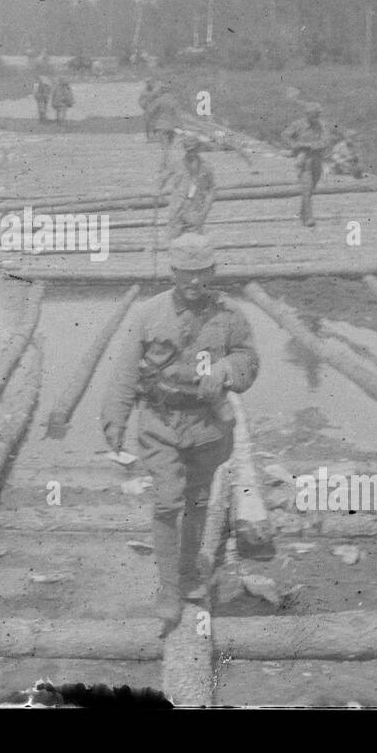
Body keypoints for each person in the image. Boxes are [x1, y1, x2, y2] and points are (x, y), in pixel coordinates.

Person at [100, 233, 260, 634]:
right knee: (168, 502)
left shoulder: (230, 314)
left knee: (199, 501)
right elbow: (124, 371)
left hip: (208, 426)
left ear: (213, 272)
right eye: (186, 274)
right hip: (161, 425)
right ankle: (169, 590)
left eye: (202, 273)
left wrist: (226, 370)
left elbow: (249, 360)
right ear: (173, 272)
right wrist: (115, 420)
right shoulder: (149, 313)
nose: (194, 282)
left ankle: (189, 573)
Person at [281, 101, 332, 226]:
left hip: (317, 159)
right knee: (307, 187)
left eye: (318, 115)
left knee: (312, 188)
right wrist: (296, 146)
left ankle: (303, 212)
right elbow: (285, 135)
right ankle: (308, 218)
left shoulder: (322, 126)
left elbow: (326, 141)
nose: (316, 118)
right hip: (303, 159)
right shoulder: (298, 125)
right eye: (314, 115)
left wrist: (309, 145)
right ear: (307, 114)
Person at [163, 134, 217, 239]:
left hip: (195, 210)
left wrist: (205, 210)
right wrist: (157, 189)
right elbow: (162, 178)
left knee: (194, 244)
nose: (191, 153)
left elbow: (212, 189)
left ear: (198, 148)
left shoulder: (206, 167)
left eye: (193, 150)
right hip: (177, 210)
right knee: (174, 243)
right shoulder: (177, 164)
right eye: (188, 150)